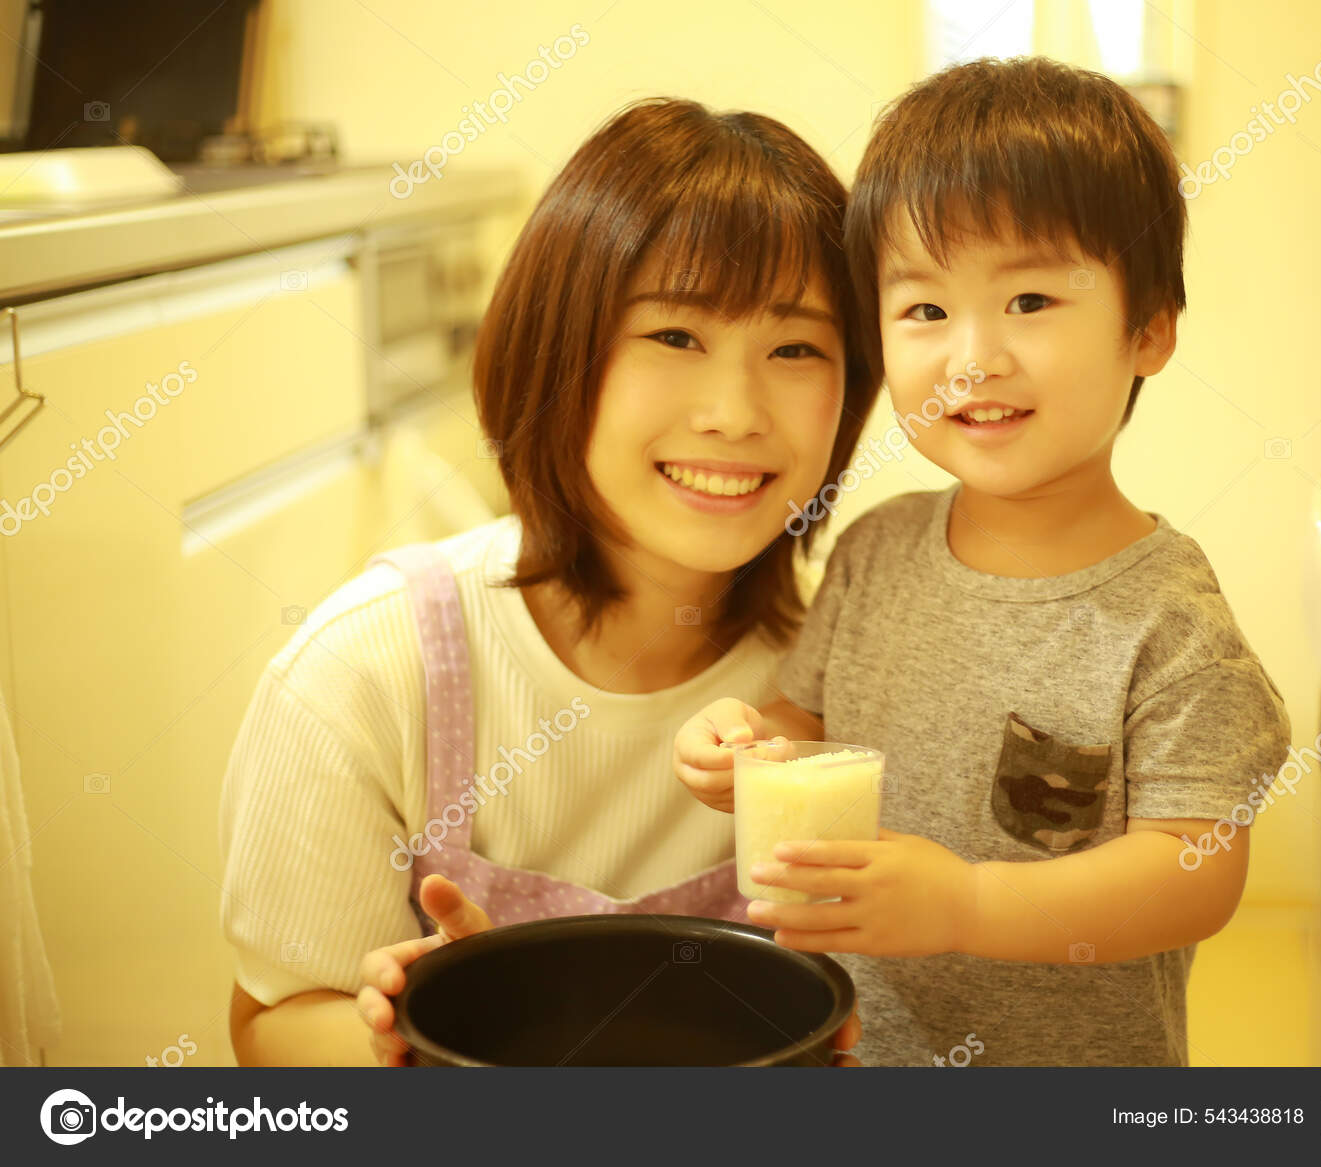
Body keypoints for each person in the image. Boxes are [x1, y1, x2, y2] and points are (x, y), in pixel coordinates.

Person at [222, 97, 875, 1066]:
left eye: (794, 349)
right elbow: (270, 1025)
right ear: (556, 349)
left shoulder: (851, 673)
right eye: (675, 336)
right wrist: (424, 1032)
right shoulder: (364, 669)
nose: (735, 413)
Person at [673, 58, 1293, 1066]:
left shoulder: (1169, 622)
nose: (972, 359)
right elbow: (811, 725)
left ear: (1148, 330)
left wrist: (967, 902)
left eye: (1030, 300)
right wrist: (747, 748)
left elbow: (1196, 869)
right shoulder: (875, 552)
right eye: (925, 311)